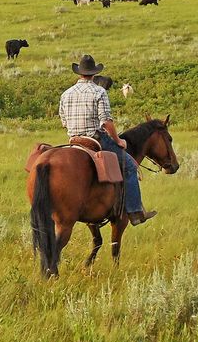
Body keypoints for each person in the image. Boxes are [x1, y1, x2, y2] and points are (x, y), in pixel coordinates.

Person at [58, 54, 156, 225]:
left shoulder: (66, 94)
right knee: (131, 167)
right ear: (94, 73)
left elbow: (64, 122)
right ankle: (135, 213)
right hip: (95, 139)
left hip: (73, 140)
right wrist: (118, 141)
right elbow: (106, 121)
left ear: (79, 73)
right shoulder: (99, 91)